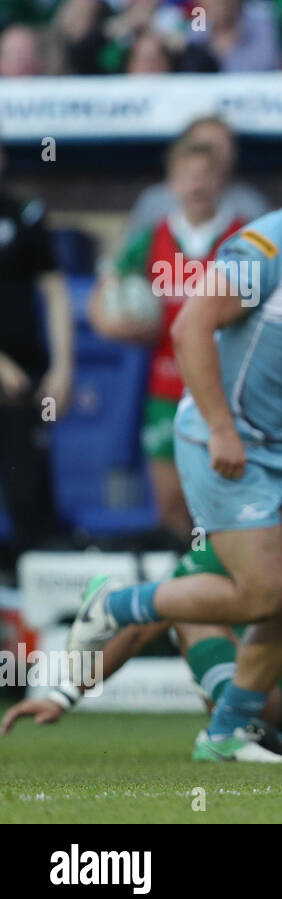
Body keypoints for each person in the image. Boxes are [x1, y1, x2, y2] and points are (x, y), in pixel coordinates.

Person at [67, 124, 282, 763]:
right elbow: (191, 327)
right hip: (222, 436)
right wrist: (222, 427)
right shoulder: (263, 247)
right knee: (264, 592)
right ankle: (117, 606)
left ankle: (223, 735)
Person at [1, 507, 282, 759]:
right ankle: (242, 727)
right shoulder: (218, 554)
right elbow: (139, 633)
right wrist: (64, 694)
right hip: (266, 696)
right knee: (189, 614)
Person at [89, 139, 244, 542]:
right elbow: (102, 301)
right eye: (187, 177)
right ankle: (187, 583)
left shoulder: (243, 235)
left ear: (221, 181)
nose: (196, 186)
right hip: (165, 391)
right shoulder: (149, 238)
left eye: (205, 176)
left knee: (225, 498)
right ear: (171, 184)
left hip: (226, 389)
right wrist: (115, 323)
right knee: (172, 503)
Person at [0, 142, 74, 575]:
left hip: (25, 379)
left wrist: (63, 367)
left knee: (30, 490)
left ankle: (36, 600)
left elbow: (55, 291)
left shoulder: (25, 214)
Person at [123, 116, 269, 244]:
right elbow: (123, 265)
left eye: (220, 146)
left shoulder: (250, 204)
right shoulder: (154, 202)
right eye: (203, 145)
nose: (212, 153)